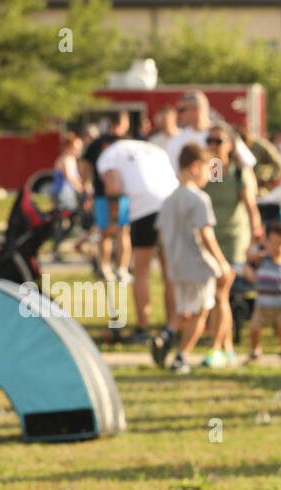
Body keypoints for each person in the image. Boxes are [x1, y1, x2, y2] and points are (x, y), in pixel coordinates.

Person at [151, 144, 230, 374]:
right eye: (208, 170)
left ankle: (165, 336)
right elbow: (206, 233)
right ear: (196, 168)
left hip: (176, 264)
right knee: (200, 312)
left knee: (183, 310)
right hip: (198, 265)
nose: (209, 175)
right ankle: (181, 357)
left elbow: (161, 235)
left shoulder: (169, 199)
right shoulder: (198, 199)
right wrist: (222, 263)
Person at [96, 134, 180, 343]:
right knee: (169, 272)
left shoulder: (109, 154)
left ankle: (143, 328)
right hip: (173, 205)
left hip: (145, 210)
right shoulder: (155, 148)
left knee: (141, 270)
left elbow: (113, 186)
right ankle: (172, 327)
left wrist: (115, 221)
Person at [200, 124, 262, 365]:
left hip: (234, 238)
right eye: (210, 140)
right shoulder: (212, 170)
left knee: (220, 293)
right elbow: (206, 196)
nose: (213, 145)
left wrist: (256, 235)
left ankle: (216, 348)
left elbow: (250, 206)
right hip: (212, 239)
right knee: (218, 295)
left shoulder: (239, 172)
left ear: (230, 144)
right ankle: (226, 348)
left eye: (218, 141)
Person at [80, 112, 132, 283]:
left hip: (101, 193)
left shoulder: (97, 143)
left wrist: (85, 186)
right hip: (122, 194)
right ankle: (122, 269)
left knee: (105, 233)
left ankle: (105, 268)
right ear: (123, 122)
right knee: (123, 232)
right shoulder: (126, 143)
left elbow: (84, 167)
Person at [243, 222, 281, 365]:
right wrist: (254, 241)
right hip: (262, 304)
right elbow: (248, 255)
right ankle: (255, 352)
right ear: (266, 242)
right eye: (272, 243)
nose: (275, 247)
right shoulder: (263, 258)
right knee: (254, 329)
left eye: (280, 243)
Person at [163, 91, 257, 174]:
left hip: (220, 188)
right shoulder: (176, 140)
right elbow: (172, 174)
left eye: (182, 110)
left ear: (196, 110)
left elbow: (247, 163)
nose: (178, 114)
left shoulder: (222, 133)